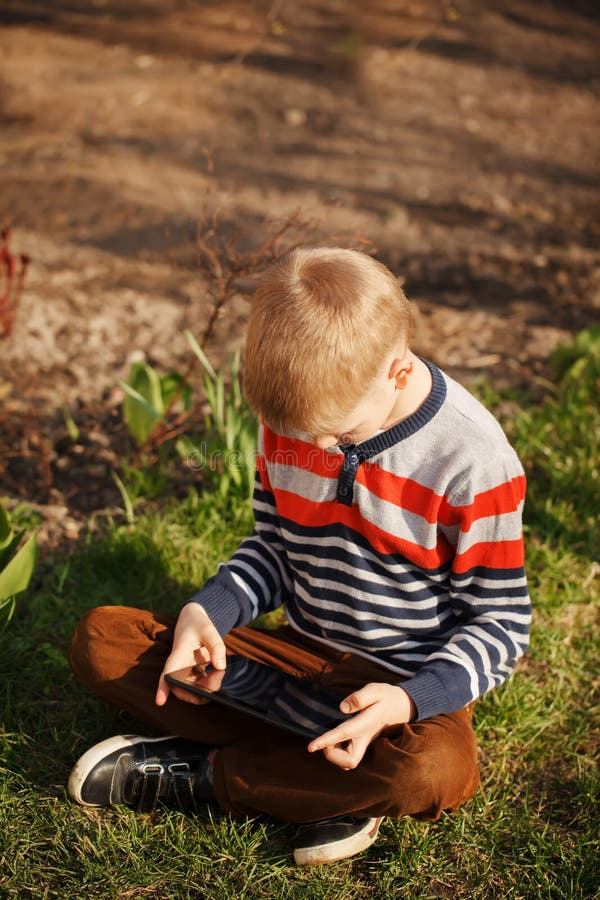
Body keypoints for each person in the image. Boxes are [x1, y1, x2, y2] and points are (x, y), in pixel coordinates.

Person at [67, 247, 531, 866]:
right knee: (103, 640)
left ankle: (208, 776)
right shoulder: (297, 418)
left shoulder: (472, 461)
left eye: (338, 438)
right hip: (296, 657)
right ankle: (325, 789)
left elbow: (500, 623)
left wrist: (410, 700)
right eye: (296, 434)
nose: (315, 450)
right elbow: (277, 548)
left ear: (396, 371)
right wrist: (211, 613)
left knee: (430, 772)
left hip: (398, 692)